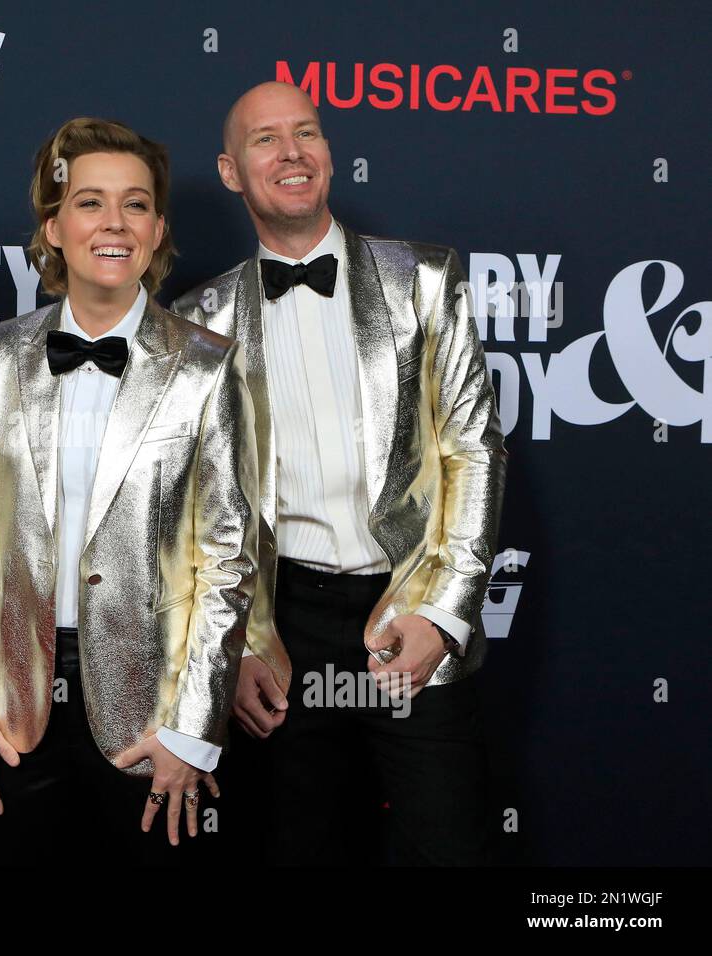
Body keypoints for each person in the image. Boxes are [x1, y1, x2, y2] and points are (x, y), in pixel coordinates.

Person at [173, 81, 507, 865]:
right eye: (265, 139)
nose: (292, 152)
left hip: (409, 611)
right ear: (230, 172)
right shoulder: (195, 322)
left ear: (328, 154)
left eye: (308, 133)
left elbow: (475, 448)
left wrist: (444, 613)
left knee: (449, 847)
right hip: (281, 627)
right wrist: (241, 643)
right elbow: (191, 509)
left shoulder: (424, 278)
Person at [0, 118, 258, 863]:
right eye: (90, 203)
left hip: (155, 708)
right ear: (53, 225)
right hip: (11, 705)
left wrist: (192, 729)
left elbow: (229, 560)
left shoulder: (208, 367)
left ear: (159, 227)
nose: (114, 223)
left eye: (136, 204)